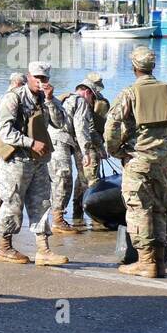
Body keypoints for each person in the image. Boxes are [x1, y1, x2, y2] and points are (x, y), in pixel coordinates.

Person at [103, 46, 167, 278]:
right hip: (165, 160)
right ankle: (158, 262)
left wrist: (116, 151)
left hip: (139, 159)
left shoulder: (129, 93)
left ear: (134, 67)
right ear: (152, 66)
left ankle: (146, 262)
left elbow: (111, 127)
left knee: (138, 209)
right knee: (158, 208)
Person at [0, 61, 70, 266]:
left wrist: (51, 100)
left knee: (42, 203)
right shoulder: (13, 98)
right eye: (37, 77)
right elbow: (5, 132)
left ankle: (43, 250)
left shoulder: (47, 99)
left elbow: (60, 123)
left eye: (44, 78)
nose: (40, 81)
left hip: (39, 161)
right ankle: (5, 247)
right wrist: (31, 143)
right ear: (28, 77)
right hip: (16, 161)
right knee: (12, 204)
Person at [47, 80, 102, 233]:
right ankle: (58, 220)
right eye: (93, 97)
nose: (93, 101)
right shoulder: (80, 101)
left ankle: (55, 217)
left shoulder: (64, 98)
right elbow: (81, 128)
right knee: (64, 179)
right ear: (88, 92)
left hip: (50, 141)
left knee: (56, 179)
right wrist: (85, 152)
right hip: (60, 141)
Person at [0, 72, 26, 226]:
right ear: (18, 83)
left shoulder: (1, 98)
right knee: (2, 176)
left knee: (0, 175)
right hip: (6, 143)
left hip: (0, 141)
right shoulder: (10, 99)